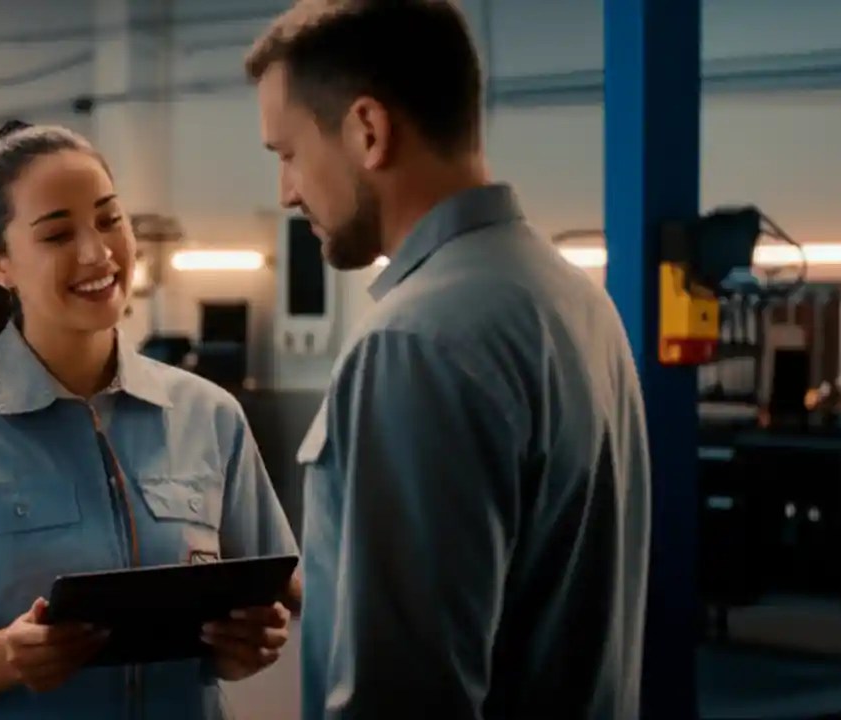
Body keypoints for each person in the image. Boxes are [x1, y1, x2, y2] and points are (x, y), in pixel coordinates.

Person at [246, 2, 651, 718]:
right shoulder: (573, 299)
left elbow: (403, 696)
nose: (286, 191)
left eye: (287, 154)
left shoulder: (413, 343)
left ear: (367, 131)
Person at [0, 121, 300, 718]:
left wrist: (247, 647)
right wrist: (7, 655)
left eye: (110, 219)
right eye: (57, 234)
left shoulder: (209, 416)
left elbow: (267, 608)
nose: (97, 253)